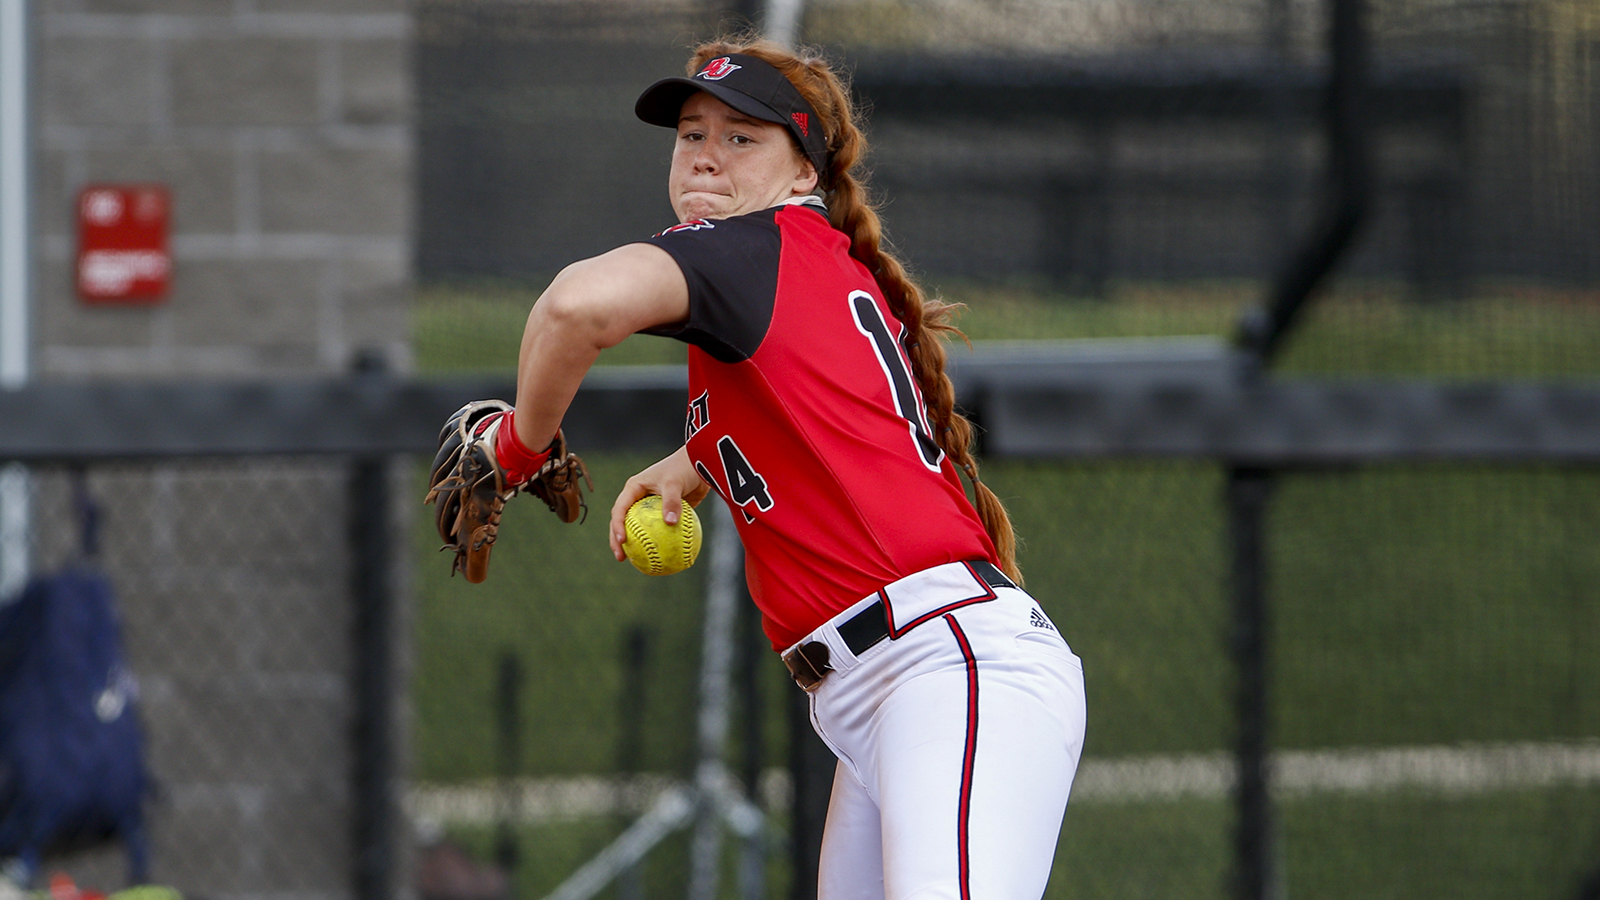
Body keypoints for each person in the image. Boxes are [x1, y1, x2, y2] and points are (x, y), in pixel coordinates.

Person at [473, 37, 1086, 900]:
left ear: (803, 172)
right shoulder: (797, 261)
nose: (708, 155)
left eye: (742, 137)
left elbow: (574, 307)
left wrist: (519, 447)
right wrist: (699, 460)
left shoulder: (745, 250)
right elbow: (830, 413)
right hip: (884, 693)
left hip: (941, 672)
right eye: (692, 134)